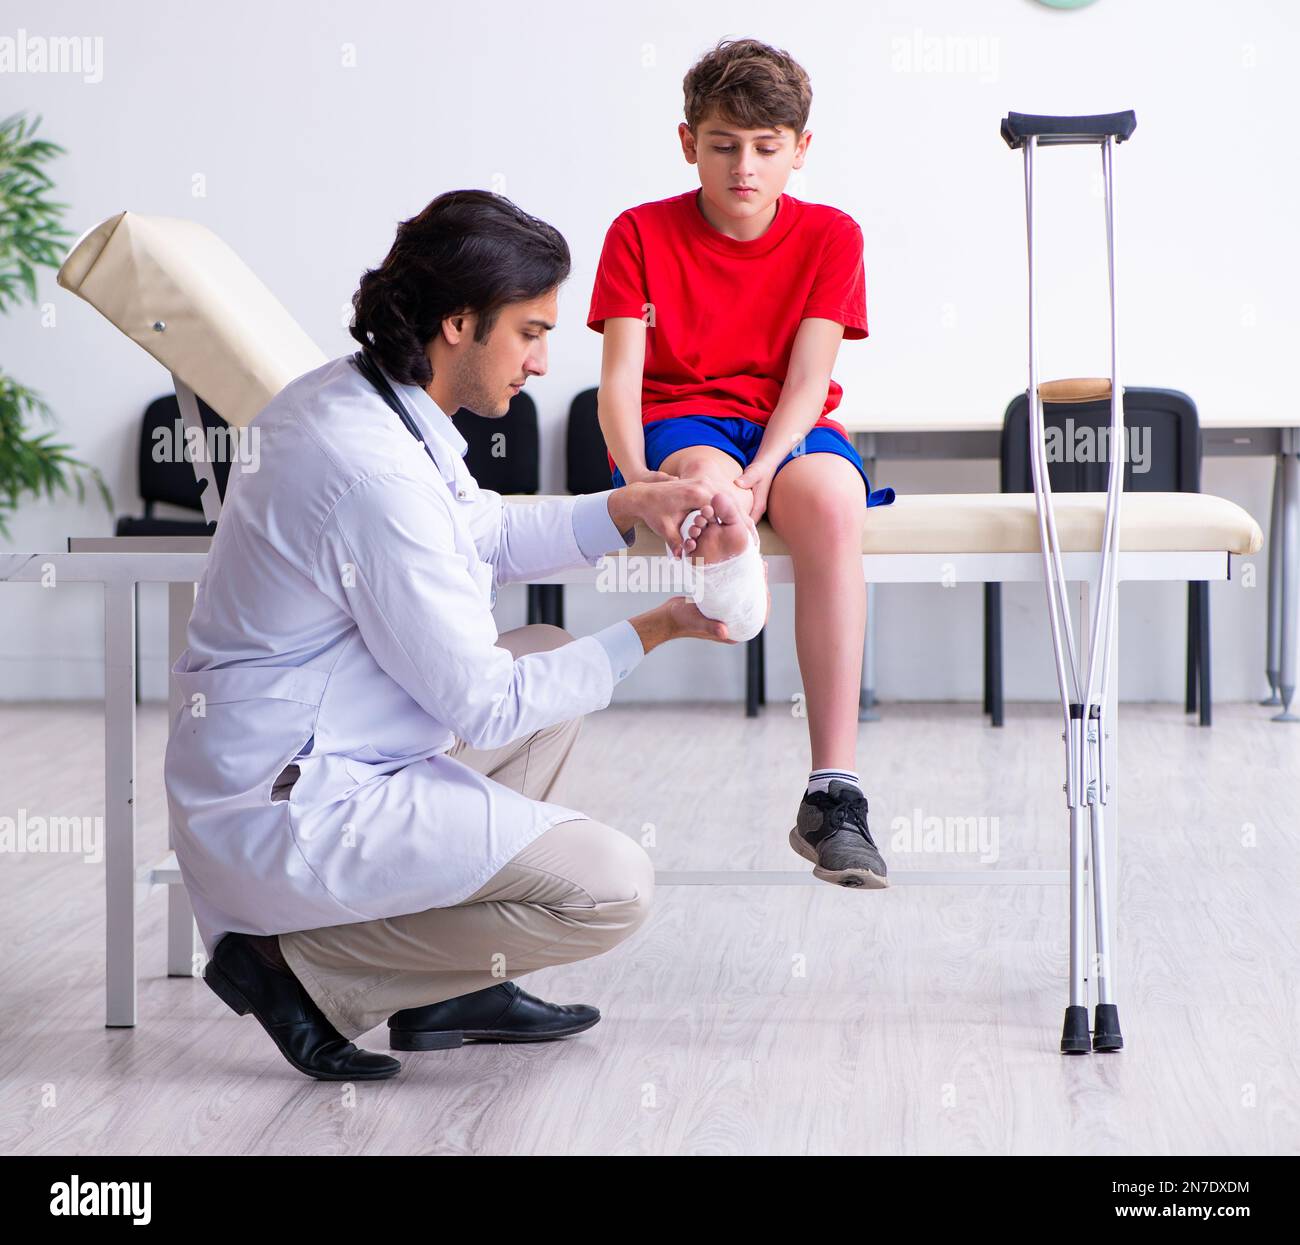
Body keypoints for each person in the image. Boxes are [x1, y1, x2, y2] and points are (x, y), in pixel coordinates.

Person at [164, 189, 734, 1082]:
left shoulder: (370, 399)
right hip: (288, 796)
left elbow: (483, 532)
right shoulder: (369, 470)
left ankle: (449, 992)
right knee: (612, 885)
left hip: (314, 746)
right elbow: (483, 700)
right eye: (531, 333)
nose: (544, 362)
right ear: (460, 323)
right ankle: (293, 967)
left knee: (545, 648)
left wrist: (629, 506)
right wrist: (659, 629)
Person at [589, 37, 897, 892]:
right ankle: (727, 561)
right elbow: (618, 381)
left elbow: (809, 379)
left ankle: (834, 793)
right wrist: (639, 479)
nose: (744, 167)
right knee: (708, 479)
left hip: (784, 426)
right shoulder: (638, 232)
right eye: (724, 145)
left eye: (766, 148)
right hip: (680, 418)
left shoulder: (833, 235)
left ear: (800, 149)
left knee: (835, 499)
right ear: (689, 142)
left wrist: (766, 466)